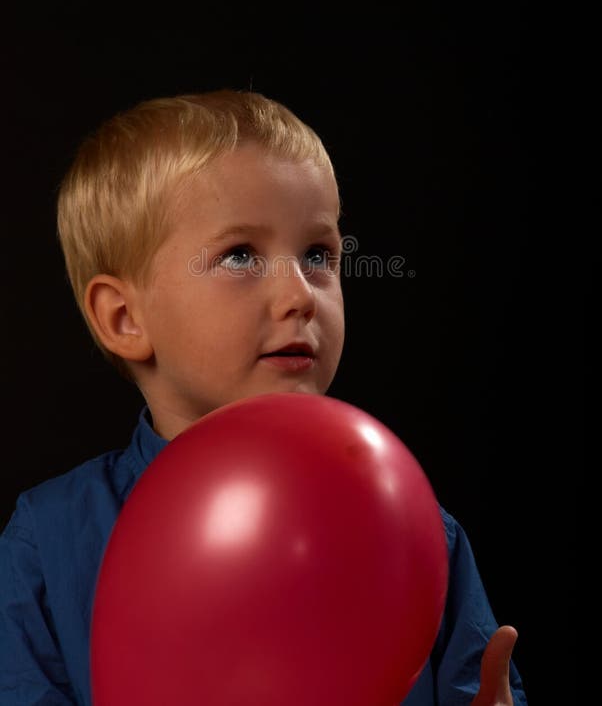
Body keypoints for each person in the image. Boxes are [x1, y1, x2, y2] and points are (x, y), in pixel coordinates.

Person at [0, 89, 528, 705]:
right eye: (241, 255)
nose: (300, 294)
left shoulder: (415, 535)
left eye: (318, 255)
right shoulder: (48, 541)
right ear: (123, 318)